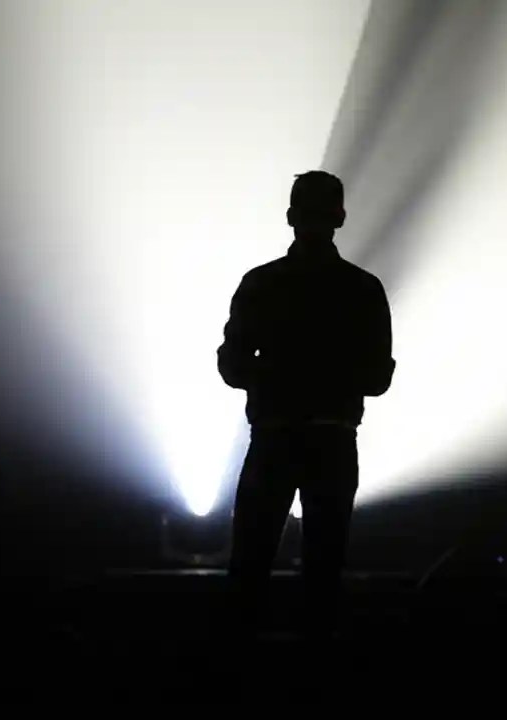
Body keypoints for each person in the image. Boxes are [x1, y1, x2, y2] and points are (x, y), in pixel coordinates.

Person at [217, 170, 395, 640]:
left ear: (290, 215)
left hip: (275, 438)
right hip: (331, 440)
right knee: (323, 573)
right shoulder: (362, 289)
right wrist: (330, 377)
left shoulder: (262, 283)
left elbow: (232, 366)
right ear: (341, 217)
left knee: (250, 567)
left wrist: (277, 377)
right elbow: (377, 378)